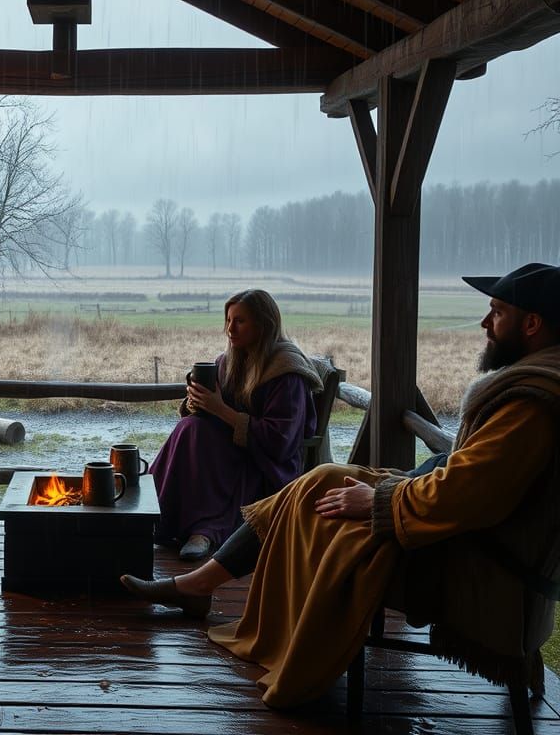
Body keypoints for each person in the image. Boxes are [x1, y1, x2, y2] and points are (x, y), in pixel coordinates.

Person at [122, 262, 560, 708]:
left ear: (532, 323)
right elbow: (471, 473)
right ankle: (199, 583)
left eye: (497, 312)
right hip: (446, 521)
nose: (486, 322)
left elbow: (467, 491)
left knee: (310, 501)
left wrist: (380, 498)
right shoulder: (531, 387)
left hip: (467, 559)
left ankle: (203, 586)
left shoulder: (531, 405)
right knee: (320, 480)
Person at [151, 289, 324, 560]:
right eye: (228, 320)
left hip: (263, 467)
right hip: (228, 453)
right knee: (191, 428)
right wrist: (197, 402)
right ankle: (155, 513)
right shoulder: (229, 361)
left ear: (263, 324)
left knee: (194, 432)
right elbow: (210, 415)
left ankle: (204, 530)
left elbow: (281, 442)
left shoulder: (286, 372)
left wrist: (221, 410)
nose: (230, 329)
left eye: (240, 321)